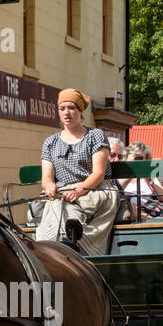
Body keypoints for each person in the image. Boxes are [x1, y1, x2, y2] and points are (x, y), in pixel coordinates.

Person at [37, 89, 120, 256]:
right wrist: (49, 185)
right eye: (62, 108)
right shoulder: (50, 142)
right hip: (63, 193)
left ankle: (71, 243)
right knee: (57, 206)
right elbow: (46, 177)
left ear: (80, 111)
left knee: (63, 208)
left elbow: (98, 173)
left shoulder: (95, 136)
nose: (66, 113)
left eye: (72, 107)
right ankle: (52, 246)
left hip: (93, 189)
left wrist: (78, 191)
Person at [118, 142, 163, 220]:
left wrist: (150, 181)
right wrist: (130, 174)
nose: (137, 160)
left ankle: (147, 218)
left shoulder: (149, 176)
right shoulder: (119, 175)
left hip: (148, 209)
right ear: (127, 157)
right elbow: (116, 191)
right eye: (135, 157)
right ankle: (148, 218)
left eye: (141, 158)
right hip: (128, 210)